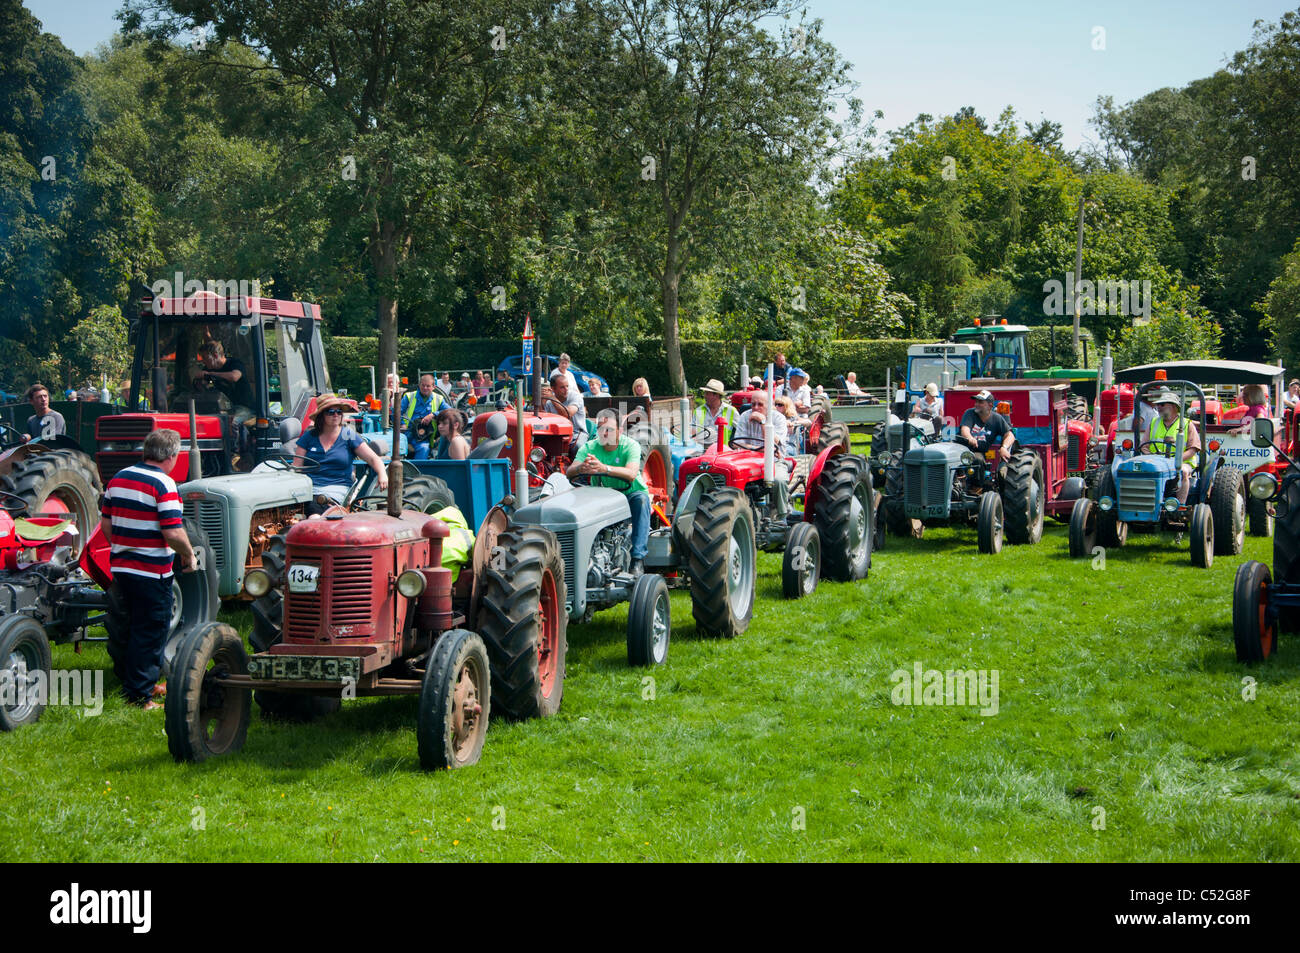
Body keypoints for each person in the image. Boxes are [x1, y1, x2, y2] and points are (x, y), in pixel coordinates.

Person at [99, 429, 197, 709]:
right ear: (172, 456)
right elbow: (172, 532)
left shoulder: (118, 478)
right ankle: (139, 697)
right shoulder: (164, 483)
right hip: (152, 572)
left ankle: (143, 682)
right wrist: (189, 555)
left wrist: (123, 546)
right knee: (150, 632)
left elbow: (106, 525)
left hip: (121, 567)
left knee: (130, 627)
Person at [567, 409, 650, 575]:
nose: (604, 433)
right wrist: (580, 468)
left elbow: (632, 474)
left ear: (620, 431)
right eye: (600, 429)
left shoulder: (630, 445)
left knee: (641, 500)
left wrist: (605, 469)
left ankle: (637, 558)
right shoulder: (590, 446)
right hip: (605, 494)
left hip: (630, 494)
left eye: (609, 429)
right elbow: (570, 472)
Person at [294, 393, 388, 514]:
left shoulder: (348, 435)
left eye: (339, 412)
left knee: (315, 511)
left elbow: (373, 459)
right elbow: (297, 468)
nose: (336, 415)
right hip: (309, 488)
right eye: (330, 412)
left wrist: (382, 474)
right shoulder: (309, 436)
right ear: (321, 416)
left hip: (336, 489)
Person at [1146, 388, 1200, 503]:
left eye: (1162, 404)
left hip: (1181, 462)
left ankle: (1179, 506)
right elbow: (1144, 446)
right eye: (1158, 405)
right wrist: (1150, 457)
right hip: (1156, 462)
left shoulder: (1187, 424)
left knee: (1183, 472)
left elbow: (1193, 449)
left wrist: (1176, 460)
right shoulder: (1154, 422)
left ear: (1174, 406)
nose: (1158, 407)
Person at [192, 340, 254, 428]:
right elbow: (203, 386)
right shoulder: (208, 368)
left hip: (243, 407)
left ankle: (233, 441)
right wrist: (200, 381)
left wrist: (210, 374)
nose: (203, 361)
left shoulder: (234, 363)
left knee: (232, 423)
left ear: (215, 355)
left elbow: (234, 377)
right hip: (220, 408)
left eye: (205, 358)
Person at [958, 389, 1015, 464]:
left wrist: (1004, 448)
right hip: (960, 449)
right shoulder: (969, 413)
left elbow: (1010, 435)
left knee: (977, 460)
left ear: (990, 405)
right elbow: (964, 430)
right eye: (976, 401)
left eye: (980, 402)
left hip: (977, 453)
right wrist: (970, 438)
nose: (976, 404)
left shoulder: (997, 419)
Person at [400, 373, 444, 460]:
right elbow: (397, 412)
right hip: (406, 432)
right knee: (394, 448)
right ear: (419, 385)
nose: (425, 388)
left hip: (424, 436)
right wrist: (402, 424)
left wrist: (433, 414)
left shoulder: (439, 398)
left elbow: (450, 411)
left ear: (433, 387)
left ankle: (418, 471)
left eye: (428, 386)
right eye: (423, 385)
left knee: (424, 448)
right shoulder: (409, 396)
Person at [541, 373, 587, 449]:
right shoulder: (549, 402)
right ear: (553, 389)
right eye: (562, 387)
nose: (566, 390)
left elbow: (567, 414)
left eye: (567, 386)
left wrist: (552, 398)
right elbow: (544, 421)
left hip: (577, 432)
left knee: (578, 447)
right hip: (557, 433)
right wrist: (541, 401)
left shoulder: (575, 396)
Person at [694, 379, 739, 443]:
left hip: (723, 451)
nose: (704, 396)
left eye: (707, 393)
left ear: (716, 395)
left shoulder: (731, 411)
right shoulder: (698, 411)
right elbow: (692, 432)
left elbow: (742, 430)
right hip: (701, 450)